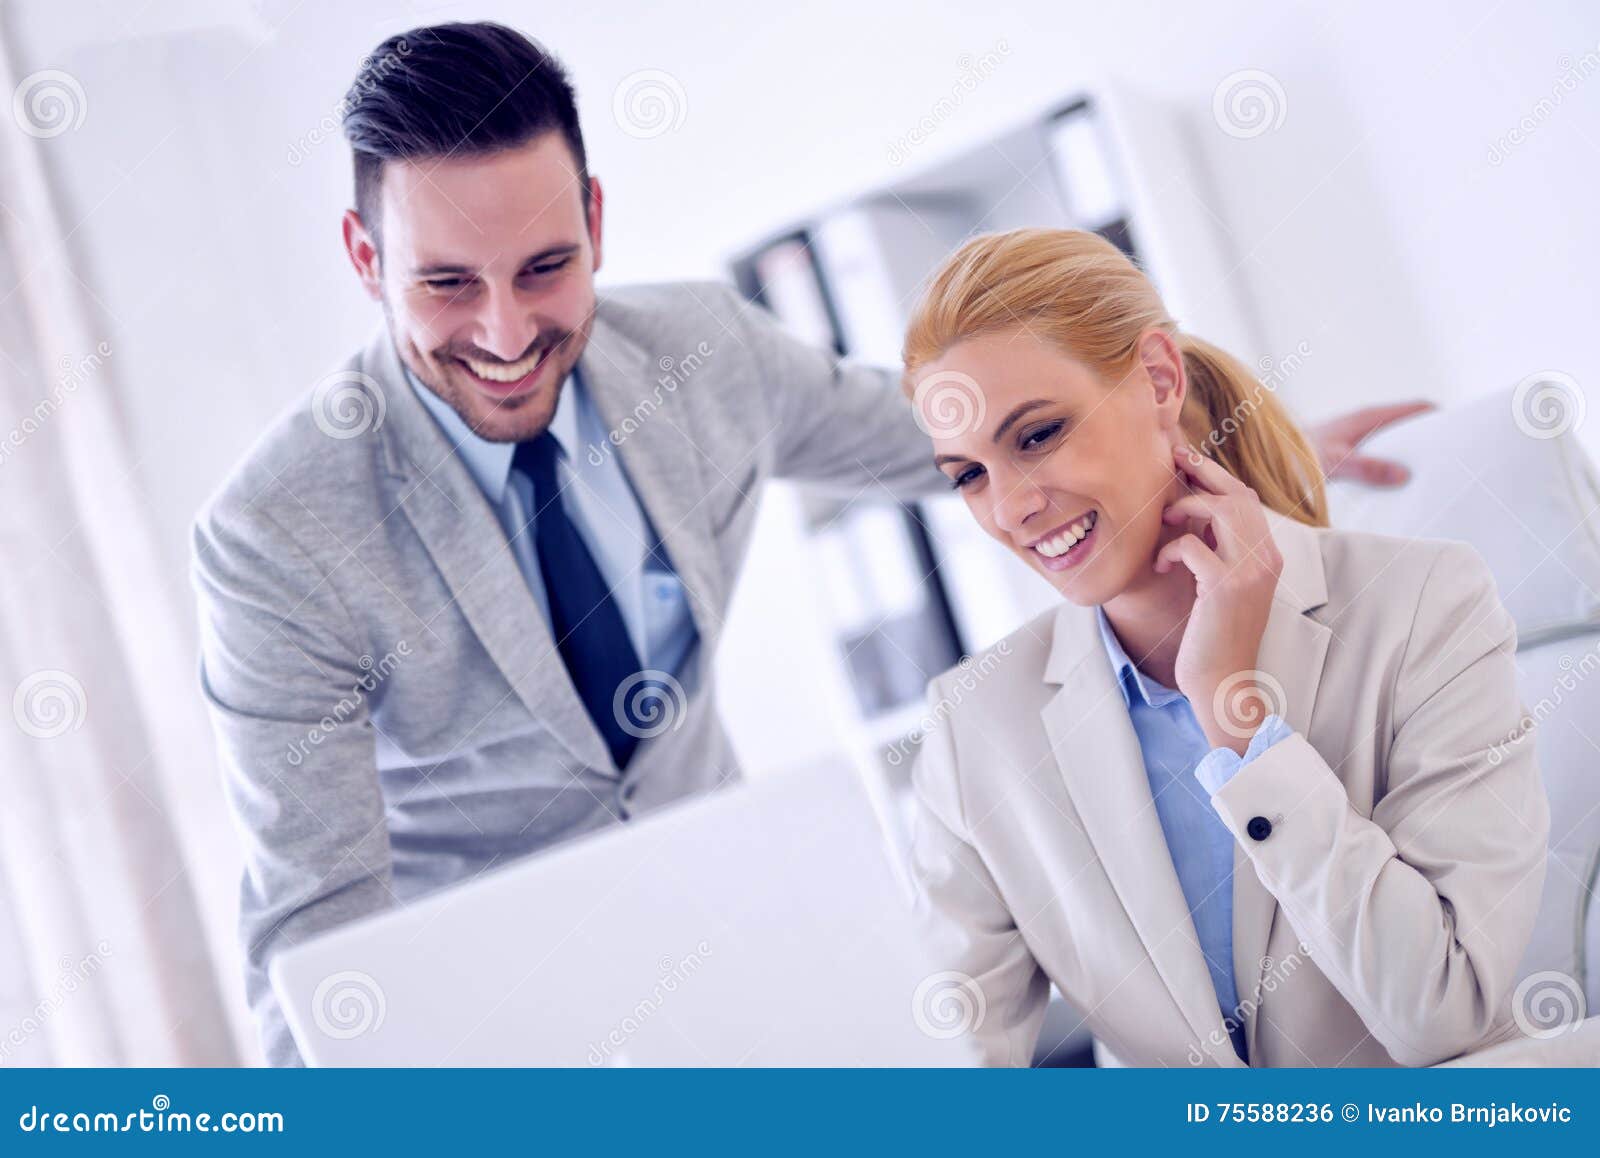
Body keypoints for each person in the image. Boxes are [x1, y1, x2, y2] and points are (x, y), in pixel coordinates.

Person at [190, 22, 1428, 1065]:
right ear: (366, 258)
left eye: (546, 266)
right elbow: (316, 932)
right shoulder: (280, 535)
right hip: (494, 1025)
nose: (509, 331)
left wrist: (1203, 439)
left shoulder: (703, 359)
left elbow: (941, 435)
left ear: (598, 220)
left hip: (720, 940)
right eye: (446, 285)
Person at [900, 227, 1550, 1067]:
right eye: (968, 475)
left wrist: (1236, 719)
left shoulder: (1424, 607)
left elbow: (1442, 1014)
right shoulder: (975, 724)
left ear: (1159, 380)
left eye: (1037, 435)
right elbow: (956, 1072)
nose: (1012, 507)